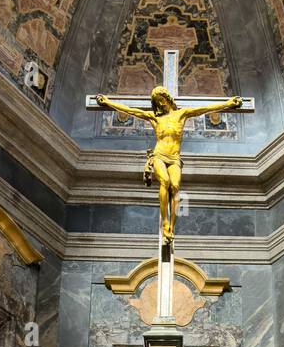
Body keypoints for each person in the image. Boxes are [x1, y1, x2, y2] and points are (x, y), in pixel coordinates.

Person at [94, 87, 243, 243]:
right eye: (156, 101)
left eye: (161, 99)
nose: (159, 103)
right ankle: (164, 222)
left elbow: (205, 109)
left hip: (174, 157)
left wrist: (228, 103)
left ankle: (172, 226)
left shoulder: (181, 114)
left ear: (167, 98)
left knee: (175, 186)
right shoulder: (154, 118)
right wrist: (108, 102)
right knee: (164, 181)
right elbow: (131, 111)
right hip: (159, 154)